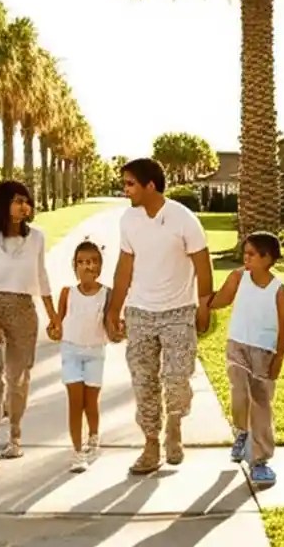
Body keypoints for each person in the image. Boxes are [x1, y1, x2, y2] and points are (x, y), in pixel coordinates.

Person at [105, 158, 213, 475]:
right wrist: (114, 308)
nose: (125, 190)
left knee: (177, 378)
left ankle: (175, 425)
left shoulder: (183, 219)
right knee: (143, 382)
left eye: (130, 184)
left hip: (179, 312)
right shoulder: (128, 220)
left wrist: (204, 306)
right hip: (140, 313)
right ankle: (151, 444)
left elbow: (203, 267)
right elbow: (125, 267)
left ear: (150, 185)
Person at [0, 179, 59, 473]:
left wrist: (53, 315)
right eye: (18, 200)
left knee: (18, 379)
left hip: (23, 311)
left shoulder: (36, 238)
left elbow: (42, 275)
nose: (24, 206)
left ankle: (15, 438)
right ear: (2, 203)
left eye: (27, 200)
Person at [198, 231, 284, 488]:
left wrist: (279, 357)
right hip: (237, 346)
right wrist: (202, 303)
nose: (245, 258)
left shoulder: (279, 290)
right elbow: (221, 300)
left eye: (250, 254)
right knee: (239, 395)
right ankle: (242, 432)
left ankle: (259, 461)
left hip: (264, 352)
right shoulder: (239, 278)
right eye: (244, 253)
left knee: (260, 405)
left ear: (267, 258)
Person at [51, 239, 111, 473]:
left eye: (93, 262)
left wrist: (118, 330)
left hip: (96, 352)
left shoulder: (106, 293)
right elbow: (57, 323)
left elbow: (110, 324)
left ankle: (94, 435)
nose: (87, 267)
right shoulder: (67, 293)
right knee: (75, 402)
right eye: (82, 262)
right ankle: (77, 452)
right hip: (71, 351)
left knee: (90, 402)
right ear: (74, 266)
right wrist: (54, 329)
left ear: (100, 267)